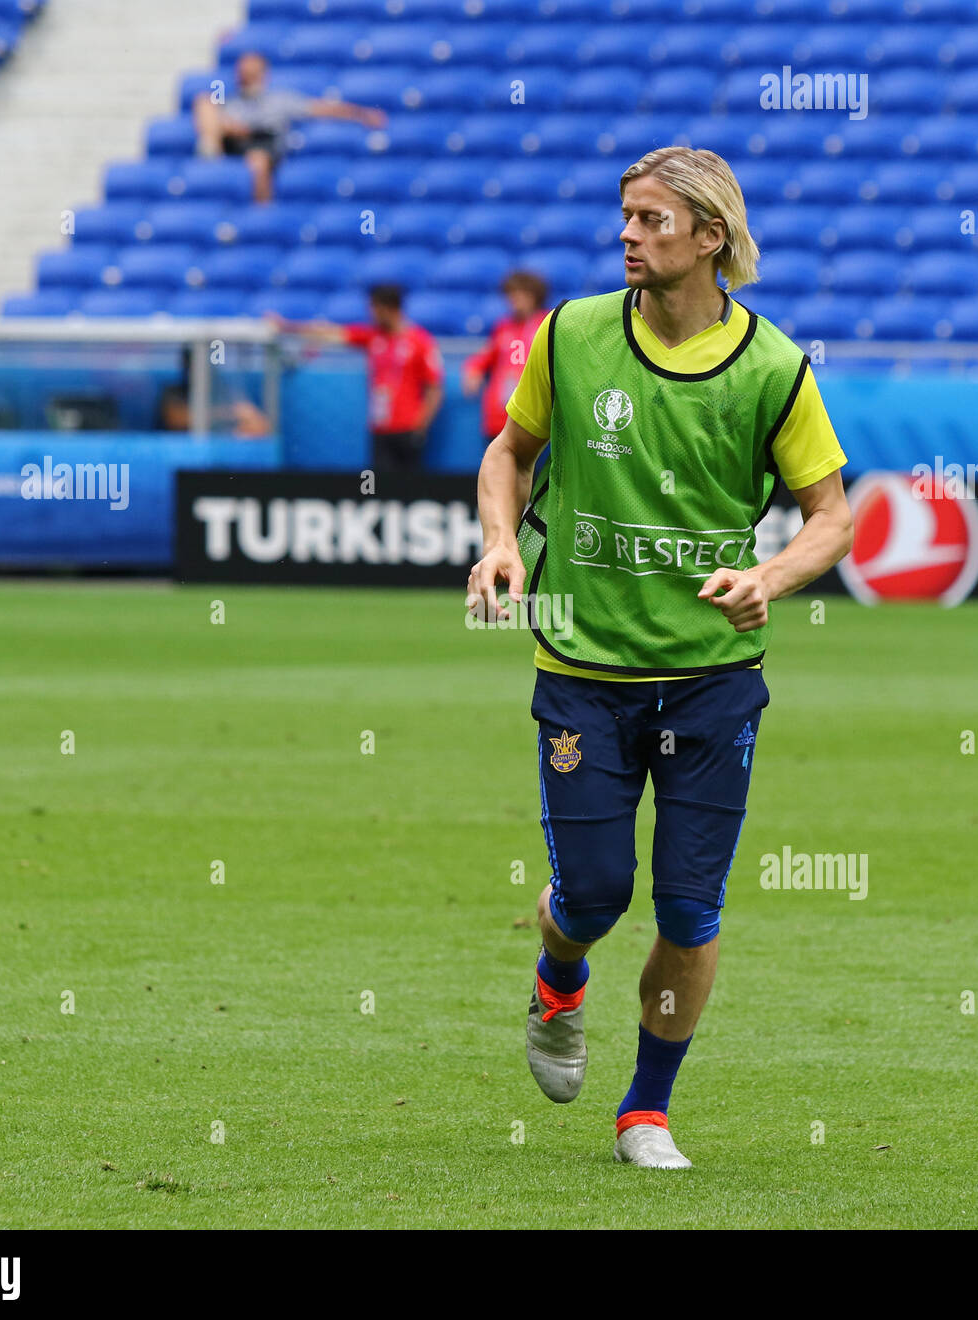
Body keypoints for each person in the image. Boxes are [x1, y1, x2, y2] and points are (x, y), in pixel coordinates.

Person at [467, 147, 855, 1169]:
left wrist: (769, 580)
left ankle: (645, 1110)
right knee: (593, 895)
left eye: (650, 219)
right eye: (625, 216)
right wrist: (502, 541)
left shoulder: (773, 369)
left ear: (709, 238)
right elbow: (508, 454)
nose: (628, 234)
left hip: (712, 679)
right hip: (584, 671)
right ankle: (559, 981)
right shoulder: (571, 334)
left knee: (689, 906)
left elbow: (831, 518)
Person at [270, 284, 444, 471]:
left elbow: (435, 387)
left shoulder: (421, 342)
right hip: (380, 427)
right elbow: (330, 332)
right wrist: (288, 327)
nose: (372, 314)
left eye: (375, 308)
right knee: (379, 487)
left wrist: (421, 425)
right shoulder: (373, 337)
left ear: (389, 308)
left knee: (410, 488)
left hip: (409, 428)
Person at [194, 52, 387, 203]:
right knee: (204, 103)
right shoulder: (231, 101)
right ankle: (210, 156)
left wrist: (361, 114)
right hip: (233, 141)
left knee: (258, 161)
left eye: (251, 75)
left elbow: (322, 108)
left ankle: (259, 215)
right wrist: (228, 127)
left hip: (264, 141)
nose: (245, 79)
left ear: (262, 75)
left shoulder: (279, 100)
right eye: (243, 75)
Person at [461, 271, 549, 444]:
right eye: (512, 295)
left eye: (521, 295)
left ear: (535, 296)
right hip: (498, 416)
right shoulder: (503, 328)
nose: (515, 300)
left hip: (532, 416)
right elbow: (483, 357)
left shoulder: (546, 323)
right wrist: (473, 371)